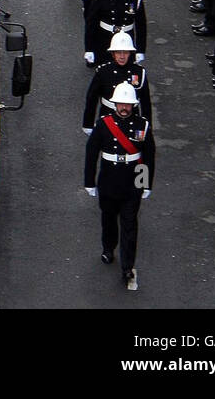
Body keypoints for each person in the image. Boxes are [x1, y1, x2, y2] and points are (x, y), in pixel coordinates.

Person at [84, 80, 155, 290]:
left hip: (132, 182)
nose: (124, 108)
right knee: (108, 220)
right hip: (108, 181)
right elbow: (91, 154)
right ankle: (108, 248)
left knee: (130, 226)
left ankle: (127, 266)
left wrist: (145, 184)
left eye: (128, 104)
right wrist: (89, 182)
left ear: (133, 105)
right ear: (115, 104)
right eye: (121, 104)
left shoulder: (142, 125)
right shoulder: (104, 124)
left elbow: (148, 156)